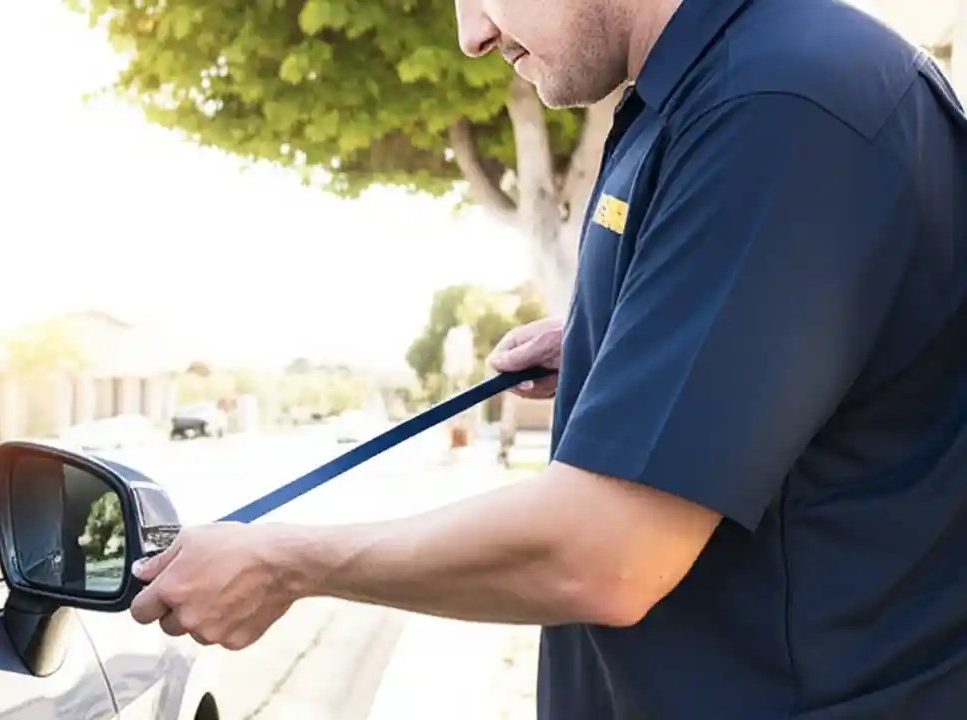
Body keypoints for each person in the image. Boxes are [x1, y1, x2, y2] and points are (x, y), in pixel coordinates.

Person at [129, 0, 967, 716]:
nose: (472, 36)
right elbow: (798, 349)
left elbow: (604, 555)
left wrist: (284, 562)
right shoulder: (708, 91)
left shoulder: (784, 102)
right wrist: (636, 343)